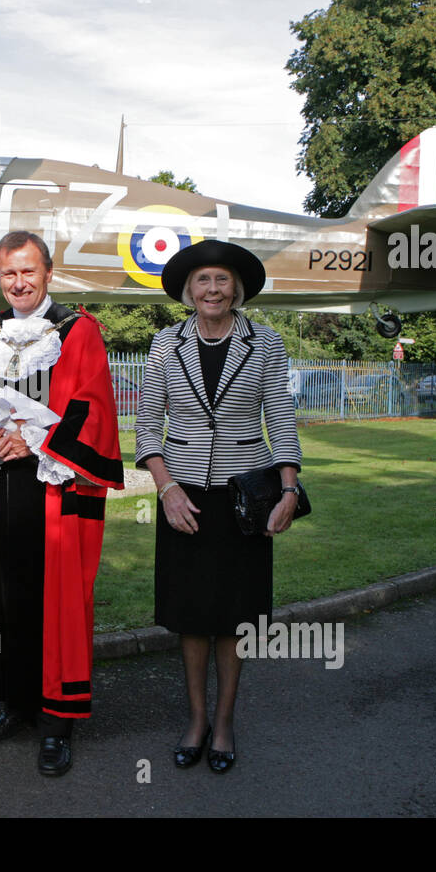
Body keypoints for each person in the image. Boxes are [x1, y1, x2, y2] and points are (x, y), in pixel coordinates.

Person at [0, 230, 124, 776]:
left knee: (55, 604)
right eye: (9, 273)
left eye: (28, 271)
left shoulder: (78, 330)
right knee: (4, 598)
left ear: (48, 273)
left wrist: (36, 442)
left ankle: (56, 722)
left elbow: (92, 407)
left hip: (56, 491)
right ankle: (15, 704)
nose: (19, 282)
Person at [135, 239, 302, 774]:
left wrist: (290, 490)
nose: (213, 289)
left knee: (235, 618)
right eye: (203, 280)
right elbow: (146, 427)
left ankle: (225, 724)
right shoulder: (164, 345)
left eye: (223, 280)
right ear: (189, 291)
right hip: (183, 497)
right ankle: (196, 720)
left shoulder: (267, 344)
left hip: (244, 497)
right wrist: (166, 489)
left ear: (238, 290)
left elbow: (280, 417)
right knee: (191, 618)